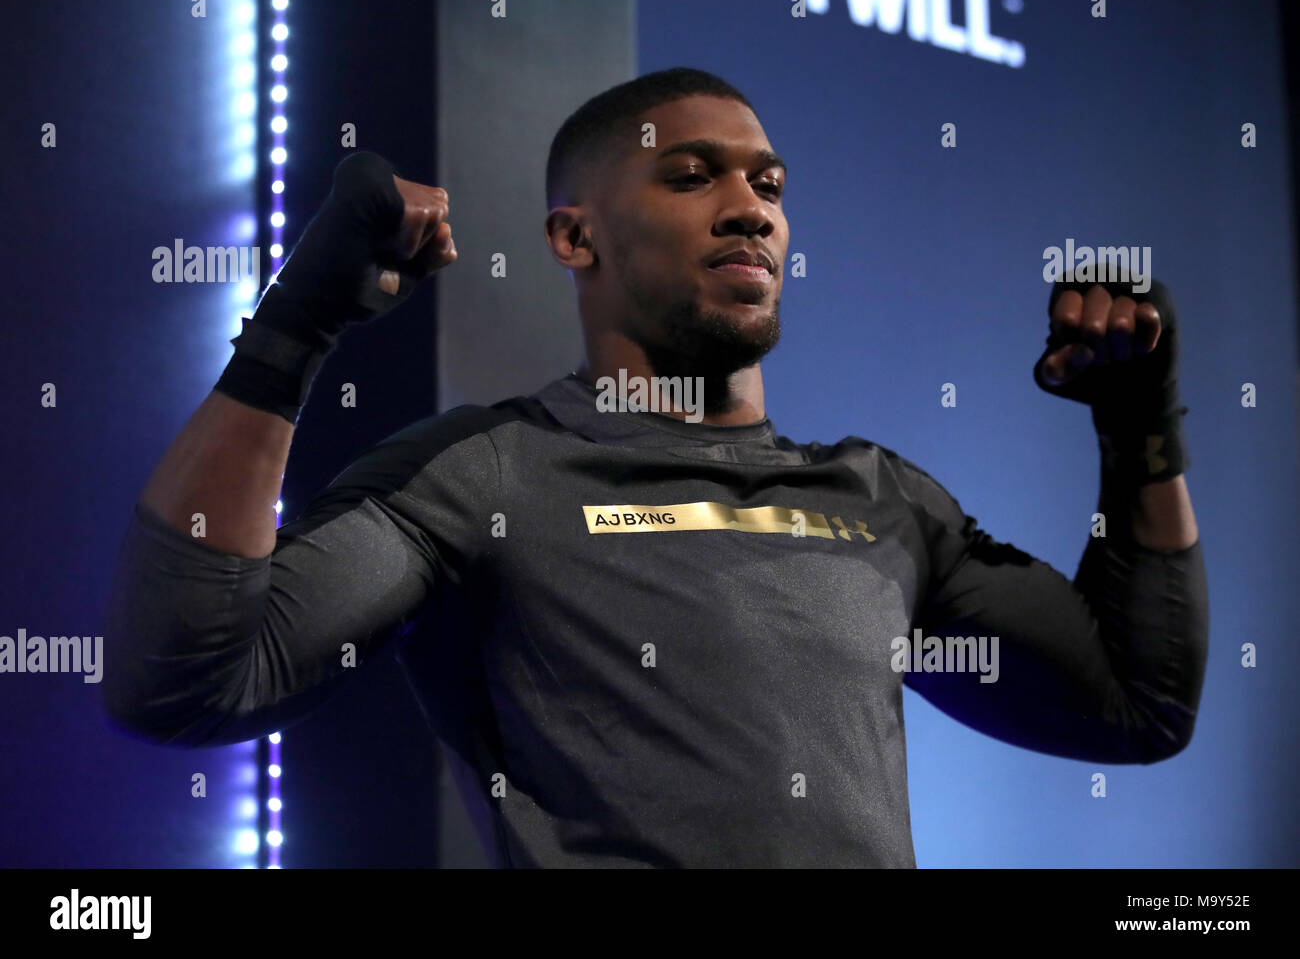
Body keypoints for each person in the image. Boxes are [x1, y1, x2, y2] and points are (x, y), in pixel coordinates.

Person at [102, 67, 1208, 868]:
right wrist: (295, 325)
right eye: (693, 176)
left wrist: (1137, 422)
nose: (751, 208)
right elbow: (185, 678)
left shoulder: (879, 498)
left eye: (769, 183)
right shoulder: (483, 475)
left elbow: (1134, 707)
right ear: (575, 239)